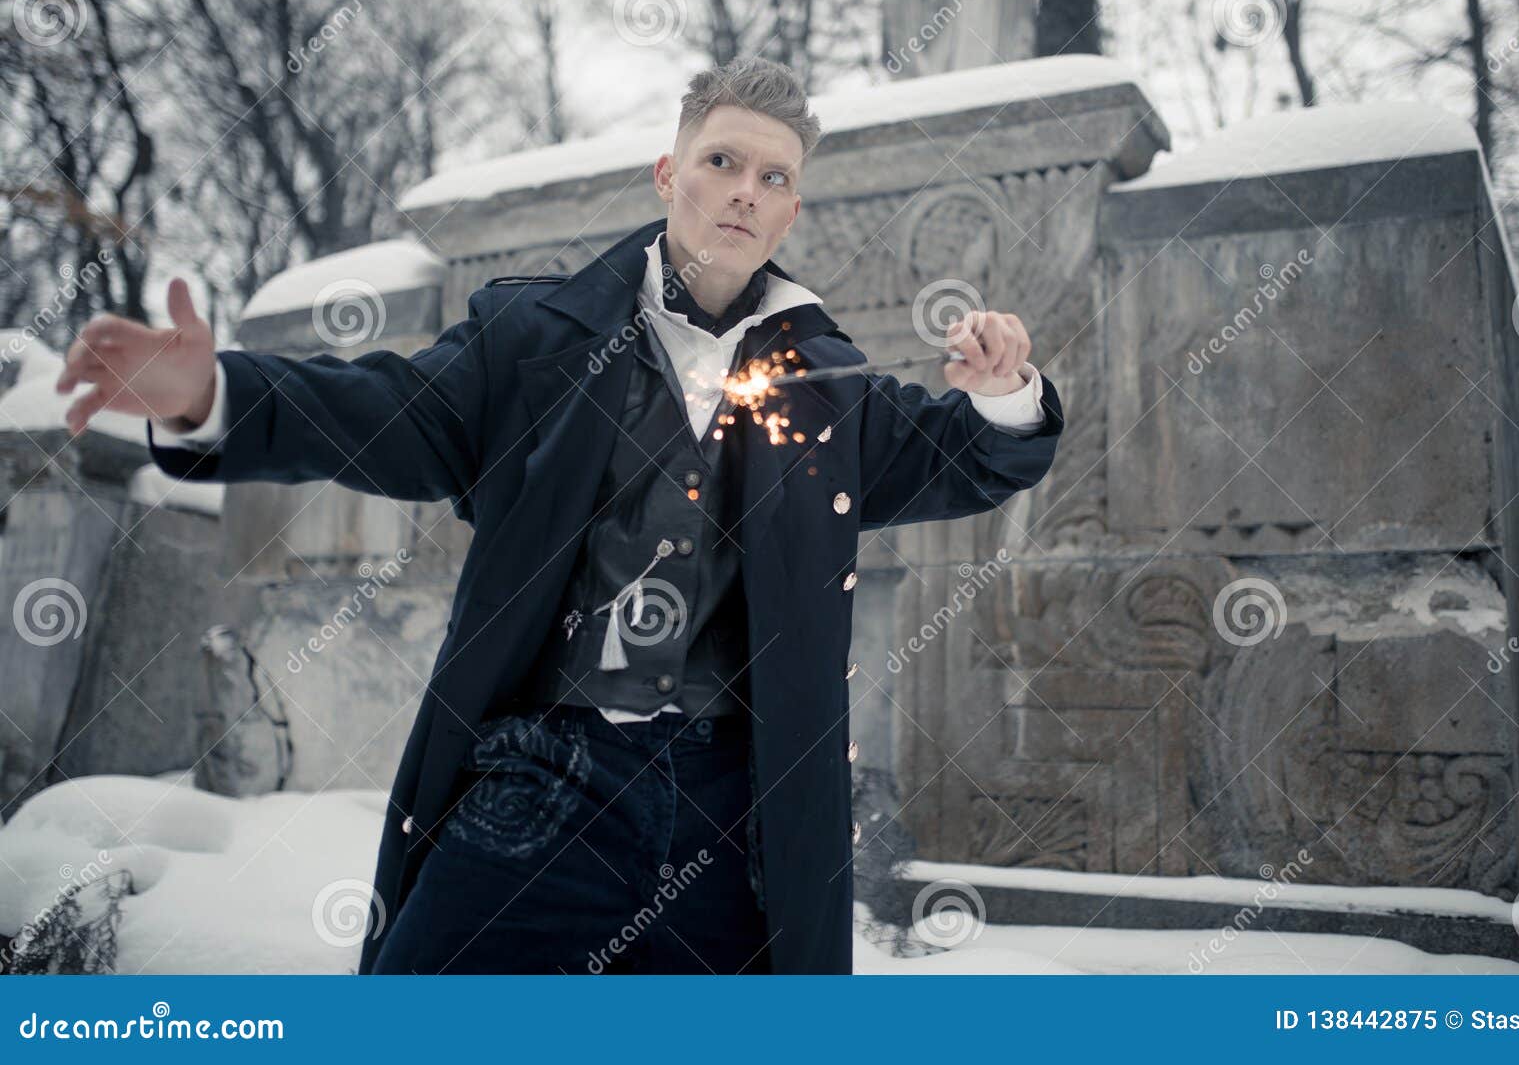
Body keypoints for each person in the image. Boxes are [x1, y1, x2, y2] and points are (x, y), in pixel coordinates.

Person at [53, 56, 1064, 974]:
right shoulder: (535, 340)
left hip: (736, 807)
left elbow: (973, 455)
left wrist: (1005, 390)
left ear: (791, 210)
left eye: (774, 177)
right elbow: (386, 412)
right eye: (721, 161)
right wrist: (215, 396)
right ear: (668, 175)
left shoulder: (830, 385)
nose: (746, 191)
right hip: (548, 782)